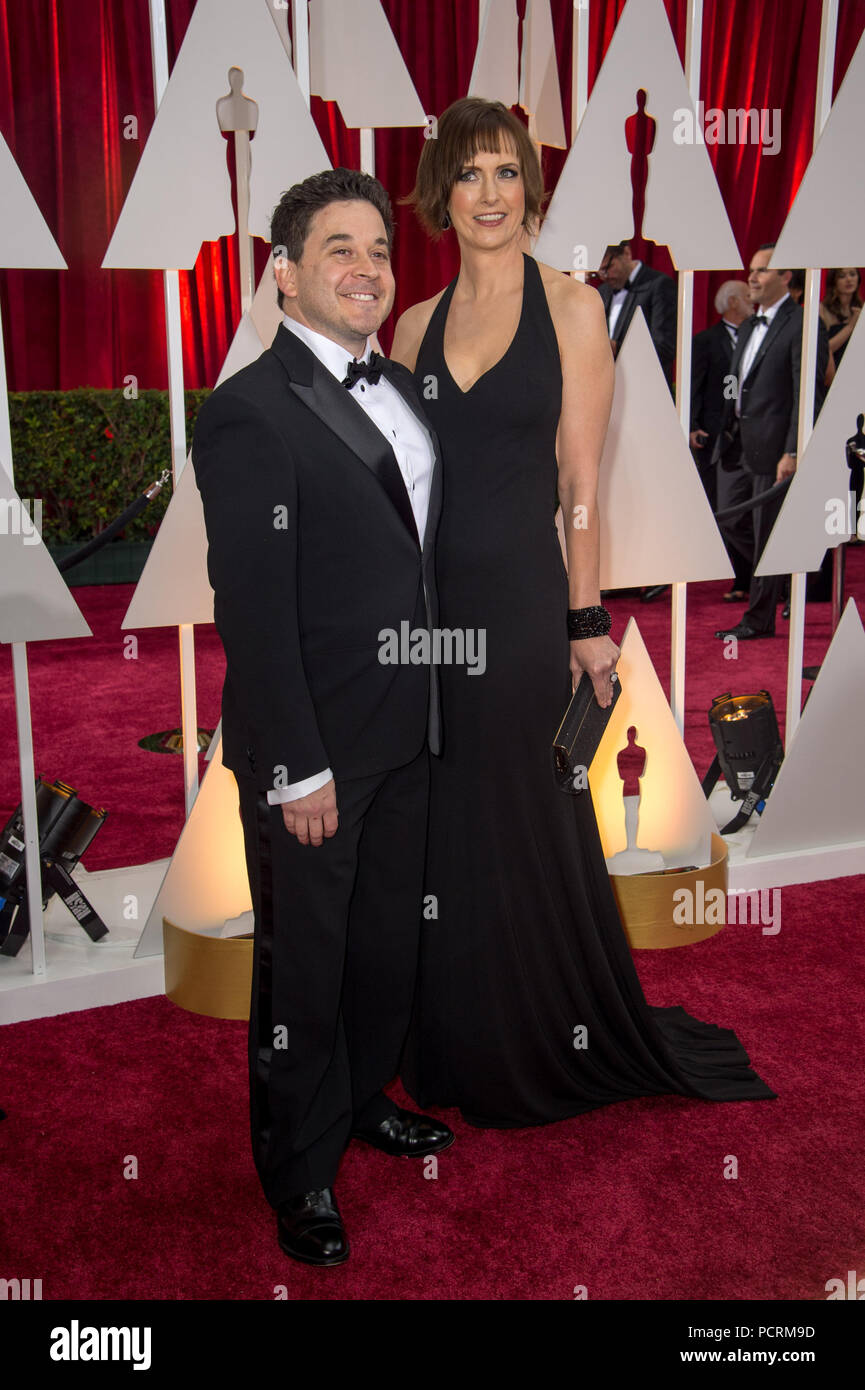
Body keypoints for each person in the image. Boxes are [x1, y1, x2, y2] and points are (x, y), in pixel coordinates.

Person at [391, 97, 776, 1128]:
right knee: (443, 824)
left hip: (522, 606)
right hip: (429, 615)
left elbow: (580, 490)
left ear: (529, 188)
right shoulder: (413, 326)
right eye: (468, 174)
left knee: (522, 815)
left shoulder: (570, 312)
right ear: (443, 192)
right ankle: (450, 1032)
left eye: (506, 172)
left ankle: (539, 1031)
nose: (488, 193)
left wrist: (584, 622)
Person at [192, 168, 453, 1268]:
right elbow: (252, 610)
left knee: (382, 949)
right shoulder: (250, 411)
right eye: (338, 249)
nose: (367, 269)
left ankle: (357, 1103)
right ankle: (298, 1171)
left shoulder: (398, 387)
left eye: (380, 250)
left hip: (407, 729)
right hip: (314, 753)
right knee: (303, 966)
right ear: (284, 272)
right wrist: (298, 768)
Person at [714, 243, 828, 641]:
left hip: (776, 446)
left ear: (786, 278)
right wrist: (725, 416)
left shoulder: (803, 323)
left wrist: (793, 450)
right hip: (737, 441)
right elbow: (734, 379)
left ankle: (759, 617)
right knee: (727, 518)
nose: (752, 277)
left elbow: (805, 393)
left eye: (762, 271)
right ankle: (778, 580)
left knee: (766, 533)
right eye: (751, 270)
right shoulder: (747, 326)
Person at [690, 280, 753, 600]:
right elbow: (693, 385)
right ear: (731, 302)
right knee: (726, 512)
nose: (752, 299)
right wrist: (691, 425)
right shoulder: (705, 341)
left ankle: (753, 579)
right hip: (716, 438)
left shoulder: (759, 334)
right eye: (746, 296)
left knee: (750, 509)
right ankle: (751, 577)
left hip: (755, 435)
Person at [597, 239, 677, 386]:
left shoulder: (660, 285)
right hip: (608, 386)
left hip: (645, 386)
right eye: (600, 272)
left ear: (627, 253)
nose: (605, 276)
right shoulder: (603, 291)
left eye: (608, 267)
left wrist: (616, 348)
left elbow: (664, 347)